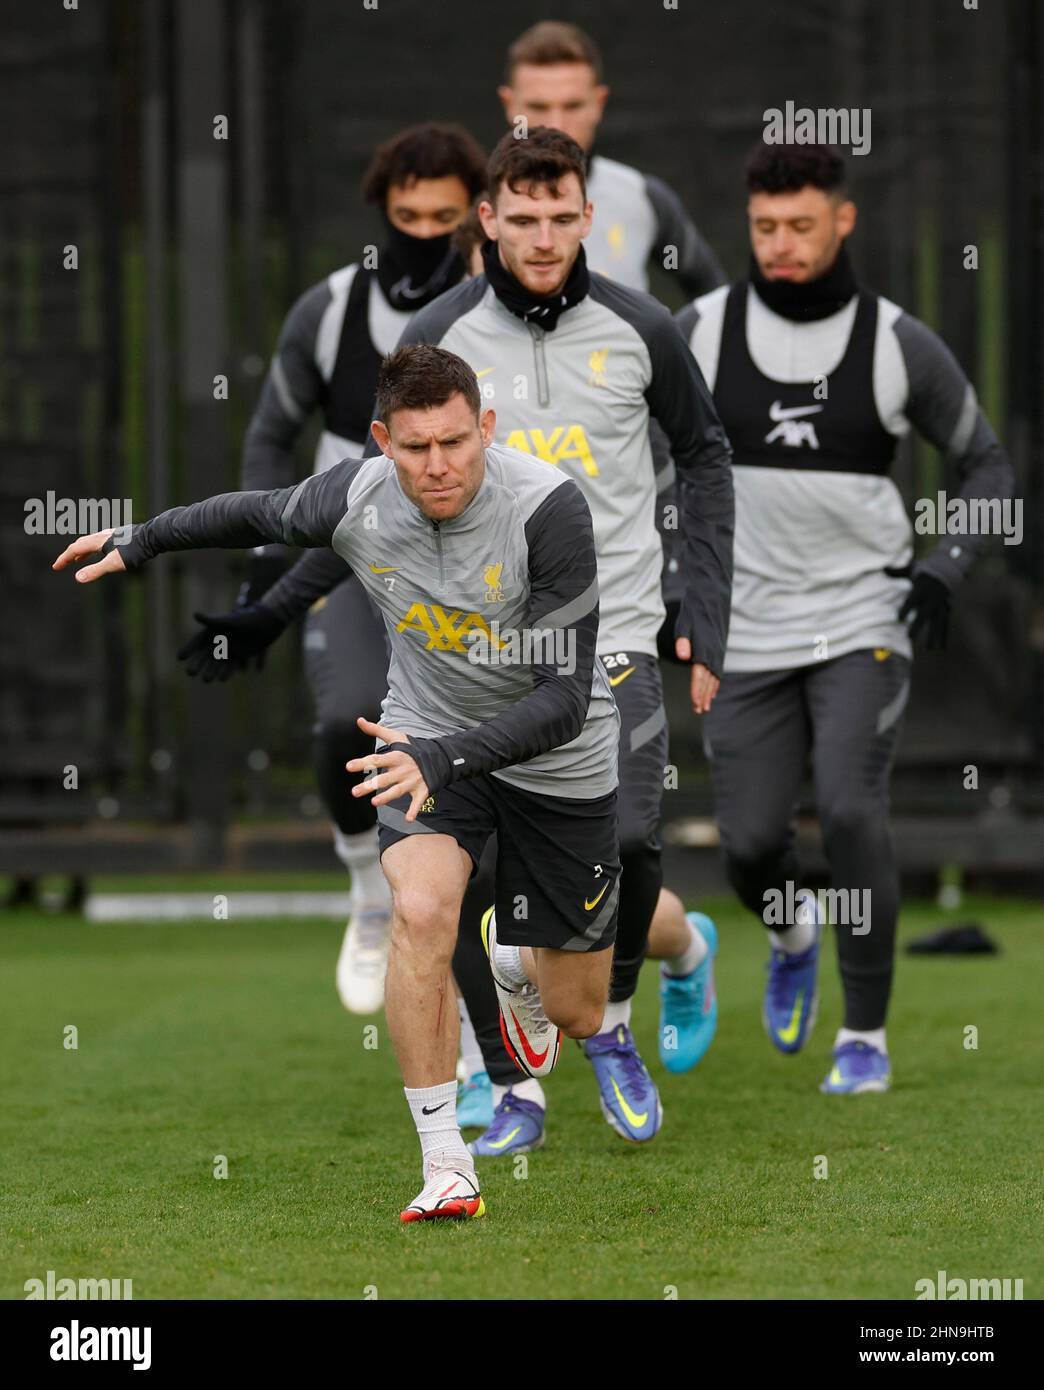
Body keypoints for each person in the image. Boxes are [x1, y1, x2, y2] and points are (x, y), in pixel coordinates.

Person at [54, 344, 623, 1223]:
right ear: (382, 442)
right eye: (415, 447)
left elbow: (564, 699)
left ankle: (515, 956)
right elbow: (251, 511)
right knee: (421, 913)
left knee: (578, 1013)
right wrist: (144, 538)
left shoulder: (548, 509)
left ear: (486, 428)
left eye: (456, 442)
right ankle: (446, 1163)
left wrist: (447, 757)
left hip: (555, 757)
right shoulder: (358, 495)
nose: (438, 465)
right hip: (421, 738)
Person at [252, 128, 734, 1151]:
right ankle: (514, 1085)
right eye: (524, 217)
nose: (545, 237)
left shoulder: (644, 326)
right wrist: (275, 602)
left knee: (625, 844)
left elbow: (705, 455)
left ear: (588, 217)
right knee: (455, 875)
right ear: (490, 220)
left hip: (612, 635)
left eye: (563, 217)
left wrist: (704, 603)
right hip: (467, 655)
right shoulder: (439, 332)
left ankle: (630, 1001)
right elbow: (379, 496)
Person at [673, 142, 1015, 1093]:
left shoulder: (899, 342)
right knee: (748, 845)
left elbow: (988, 467)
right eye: (764, 227)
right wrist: (672, 580)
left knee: (854, 807)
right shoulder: (699, 331)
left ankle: (863, 1036)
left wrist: (947, 563)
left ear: (844, 220)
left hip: (863, 615)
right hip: (744, 627)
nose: (781, 244)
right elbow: (640, 458)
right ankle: (793, 933)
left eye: (802, 225)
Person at [180, 124, 485, 1016]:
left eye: (444, 218)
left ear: (475, 217)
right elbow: (272, 435)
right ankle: (366, 888)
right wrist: (266, 572)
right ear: (379, 212)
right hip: (353, 560)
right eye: (406, 217)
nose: (423, 234)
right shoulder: (328, 310)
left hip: (480, 564)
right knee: (342, 722)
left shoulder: (491, 313)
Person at [498, 20, 723, 297]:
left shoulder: (643, 197)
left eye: (573, 106)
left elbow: (715, 297)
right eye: (538, 106)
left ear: (599, 103)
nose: (556, 125)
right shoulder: (473, 199)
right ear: (509, 104)